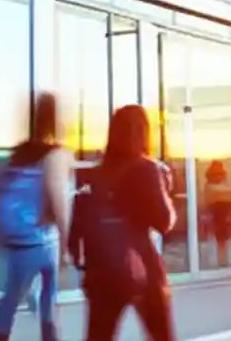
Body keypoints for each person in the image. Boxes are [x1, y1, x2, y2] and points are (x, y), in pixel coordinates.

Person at [76, 105, 176, 341]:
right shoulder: (147, 169)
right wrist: (165, 187)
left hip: (101, 272)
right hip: (141, 269)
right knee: (161, 336)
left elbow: (79, 226)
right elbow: (165, 222)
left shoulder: (95, 175)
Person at [0, 92, 73, 341]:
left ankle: (0, 337)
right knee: (49, 291)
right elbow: (59, 199)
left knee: (11, 297)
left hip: (16, 238)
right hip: (42, 238)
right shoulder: (56, 155)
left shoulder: (16, 155)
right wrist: (66, 243)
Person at [201, 160, 231, 267]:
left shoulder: (217, 187)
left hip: (221, 216)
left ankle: (221, 261)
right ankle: (219, 261)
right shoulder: (211, 187)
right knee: (218, 240)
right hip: (216, 216)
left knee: (221, 241)